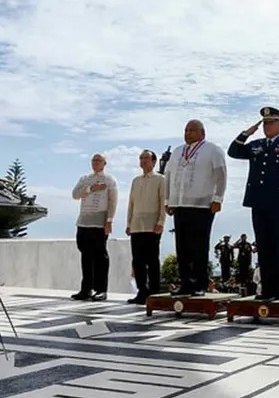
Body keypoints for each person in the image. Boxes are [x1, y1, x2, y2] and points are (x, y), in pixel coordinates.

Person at [228, 106, 279, 302]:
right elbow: (233, 151)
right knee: (263, 244)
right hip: (258, 201)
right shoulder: (256, 145)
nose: (268, 126)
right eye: (265, 123)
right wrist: (246, 133)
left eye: (271, 122)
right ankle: (267, 287)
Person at [166, 119, 227, 295]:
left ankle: (200, 284)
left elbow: (221, 174)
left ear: (202, 133)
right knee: (182, 247)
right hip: (180, 203)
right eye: (186, 130)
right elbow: (168, 175)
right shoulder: (178, 151)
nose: (188, 133)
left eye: (192, 130)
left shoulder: (212, 150)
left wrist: (218, 198)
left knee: (198, 246)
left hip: (202, 205)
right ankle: (186, 283)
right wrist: (168, 201)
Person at [71, 154, 117, 301]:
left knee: (100, 256)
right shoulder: (85, 179)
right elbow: (75, 194)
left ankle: (101, 289)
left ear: (104, 163)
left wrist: (109, 221)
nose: (96, 163)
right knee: (85, 255)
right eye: (94, 160)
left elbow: (112, 202)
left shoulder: (110, 180)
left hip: (99, 222)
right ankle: (86, 289)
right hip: (83, 221)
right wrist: (91, 188)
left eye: (99, 161)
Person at [126, 150, 166, 304]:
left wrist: (161, 222)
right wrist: (129, 223)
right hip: (136, 225)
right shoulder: (136, 180)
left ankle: (154, 291)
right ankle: (142, 291)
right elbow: (131, 203)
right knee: (138, 261)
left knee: (152, 259)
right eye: (141, 158)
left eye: (146, 158)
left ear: (154, 161)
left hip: (152, 225)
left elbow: (163, 201)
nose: (143, 161)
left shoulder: (160, 179)